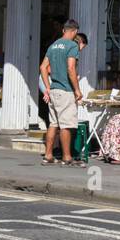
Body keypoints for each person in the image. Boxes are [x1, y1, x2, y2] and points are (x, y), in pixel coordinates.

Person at [40, 20, 83, 166]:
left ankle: (48, 155)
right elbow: (71, 68)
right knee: (66, 125)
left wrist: (47, 86)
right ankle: (66, 157)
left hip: (54, 89)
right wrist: (77, 90)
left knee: (53, 123)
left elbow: (43, 67)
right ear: (75, 31)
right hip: (66, 90)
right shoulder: (72, 46)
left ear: (63, 30)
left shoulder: (53, 46)